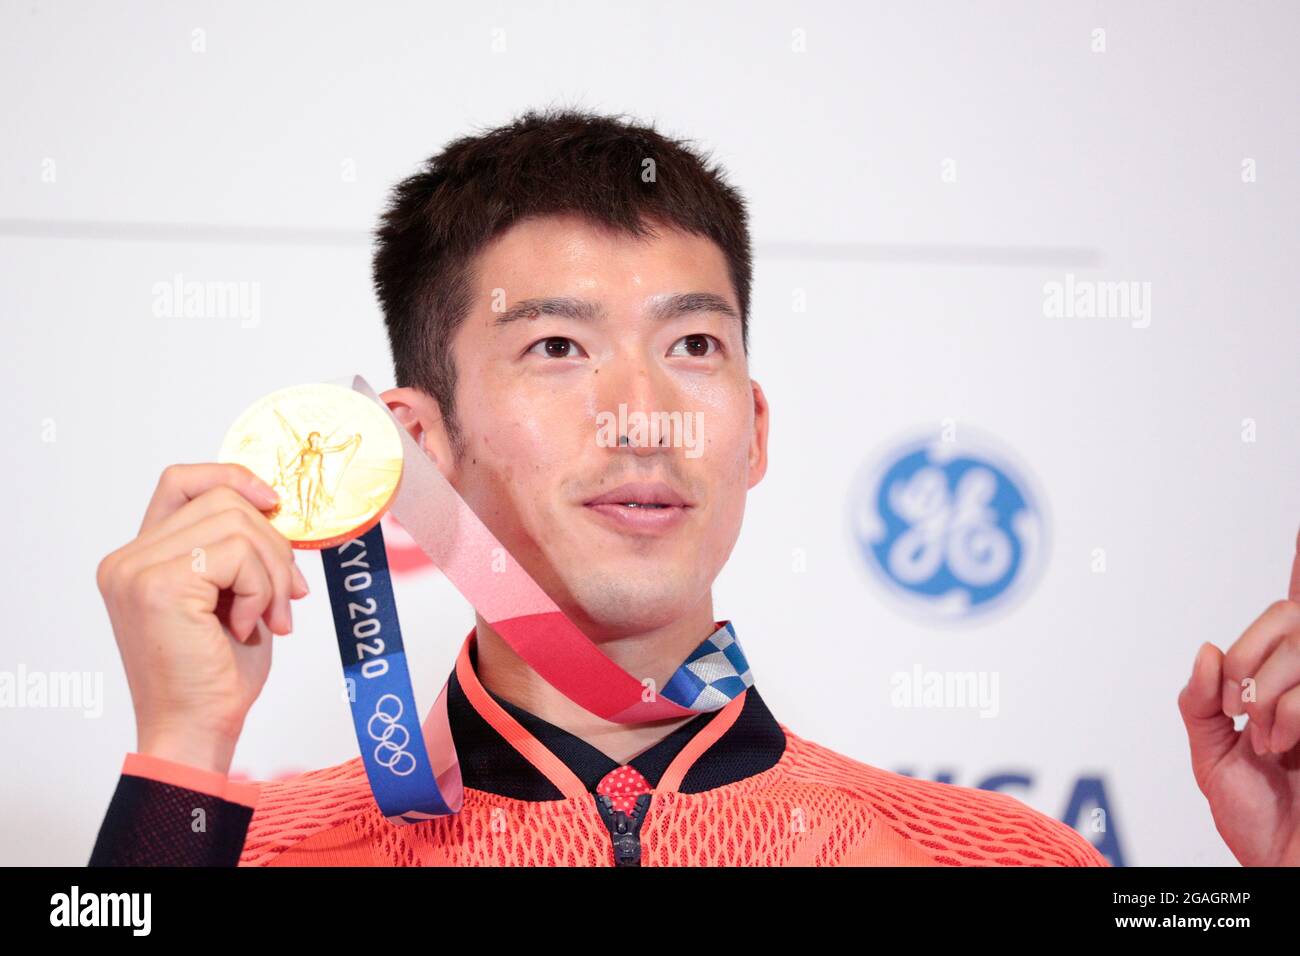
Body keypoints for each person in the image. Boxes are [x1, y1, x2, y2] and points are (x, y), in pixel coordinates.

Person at [87, 109, 1295, 867]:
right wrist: (180, 756)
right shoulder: (234, 851)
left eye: (694, 346)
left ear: (752, 430)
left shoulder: (1002, 858)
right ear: (415, 446)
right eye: (557, 347)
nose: (644, 413)